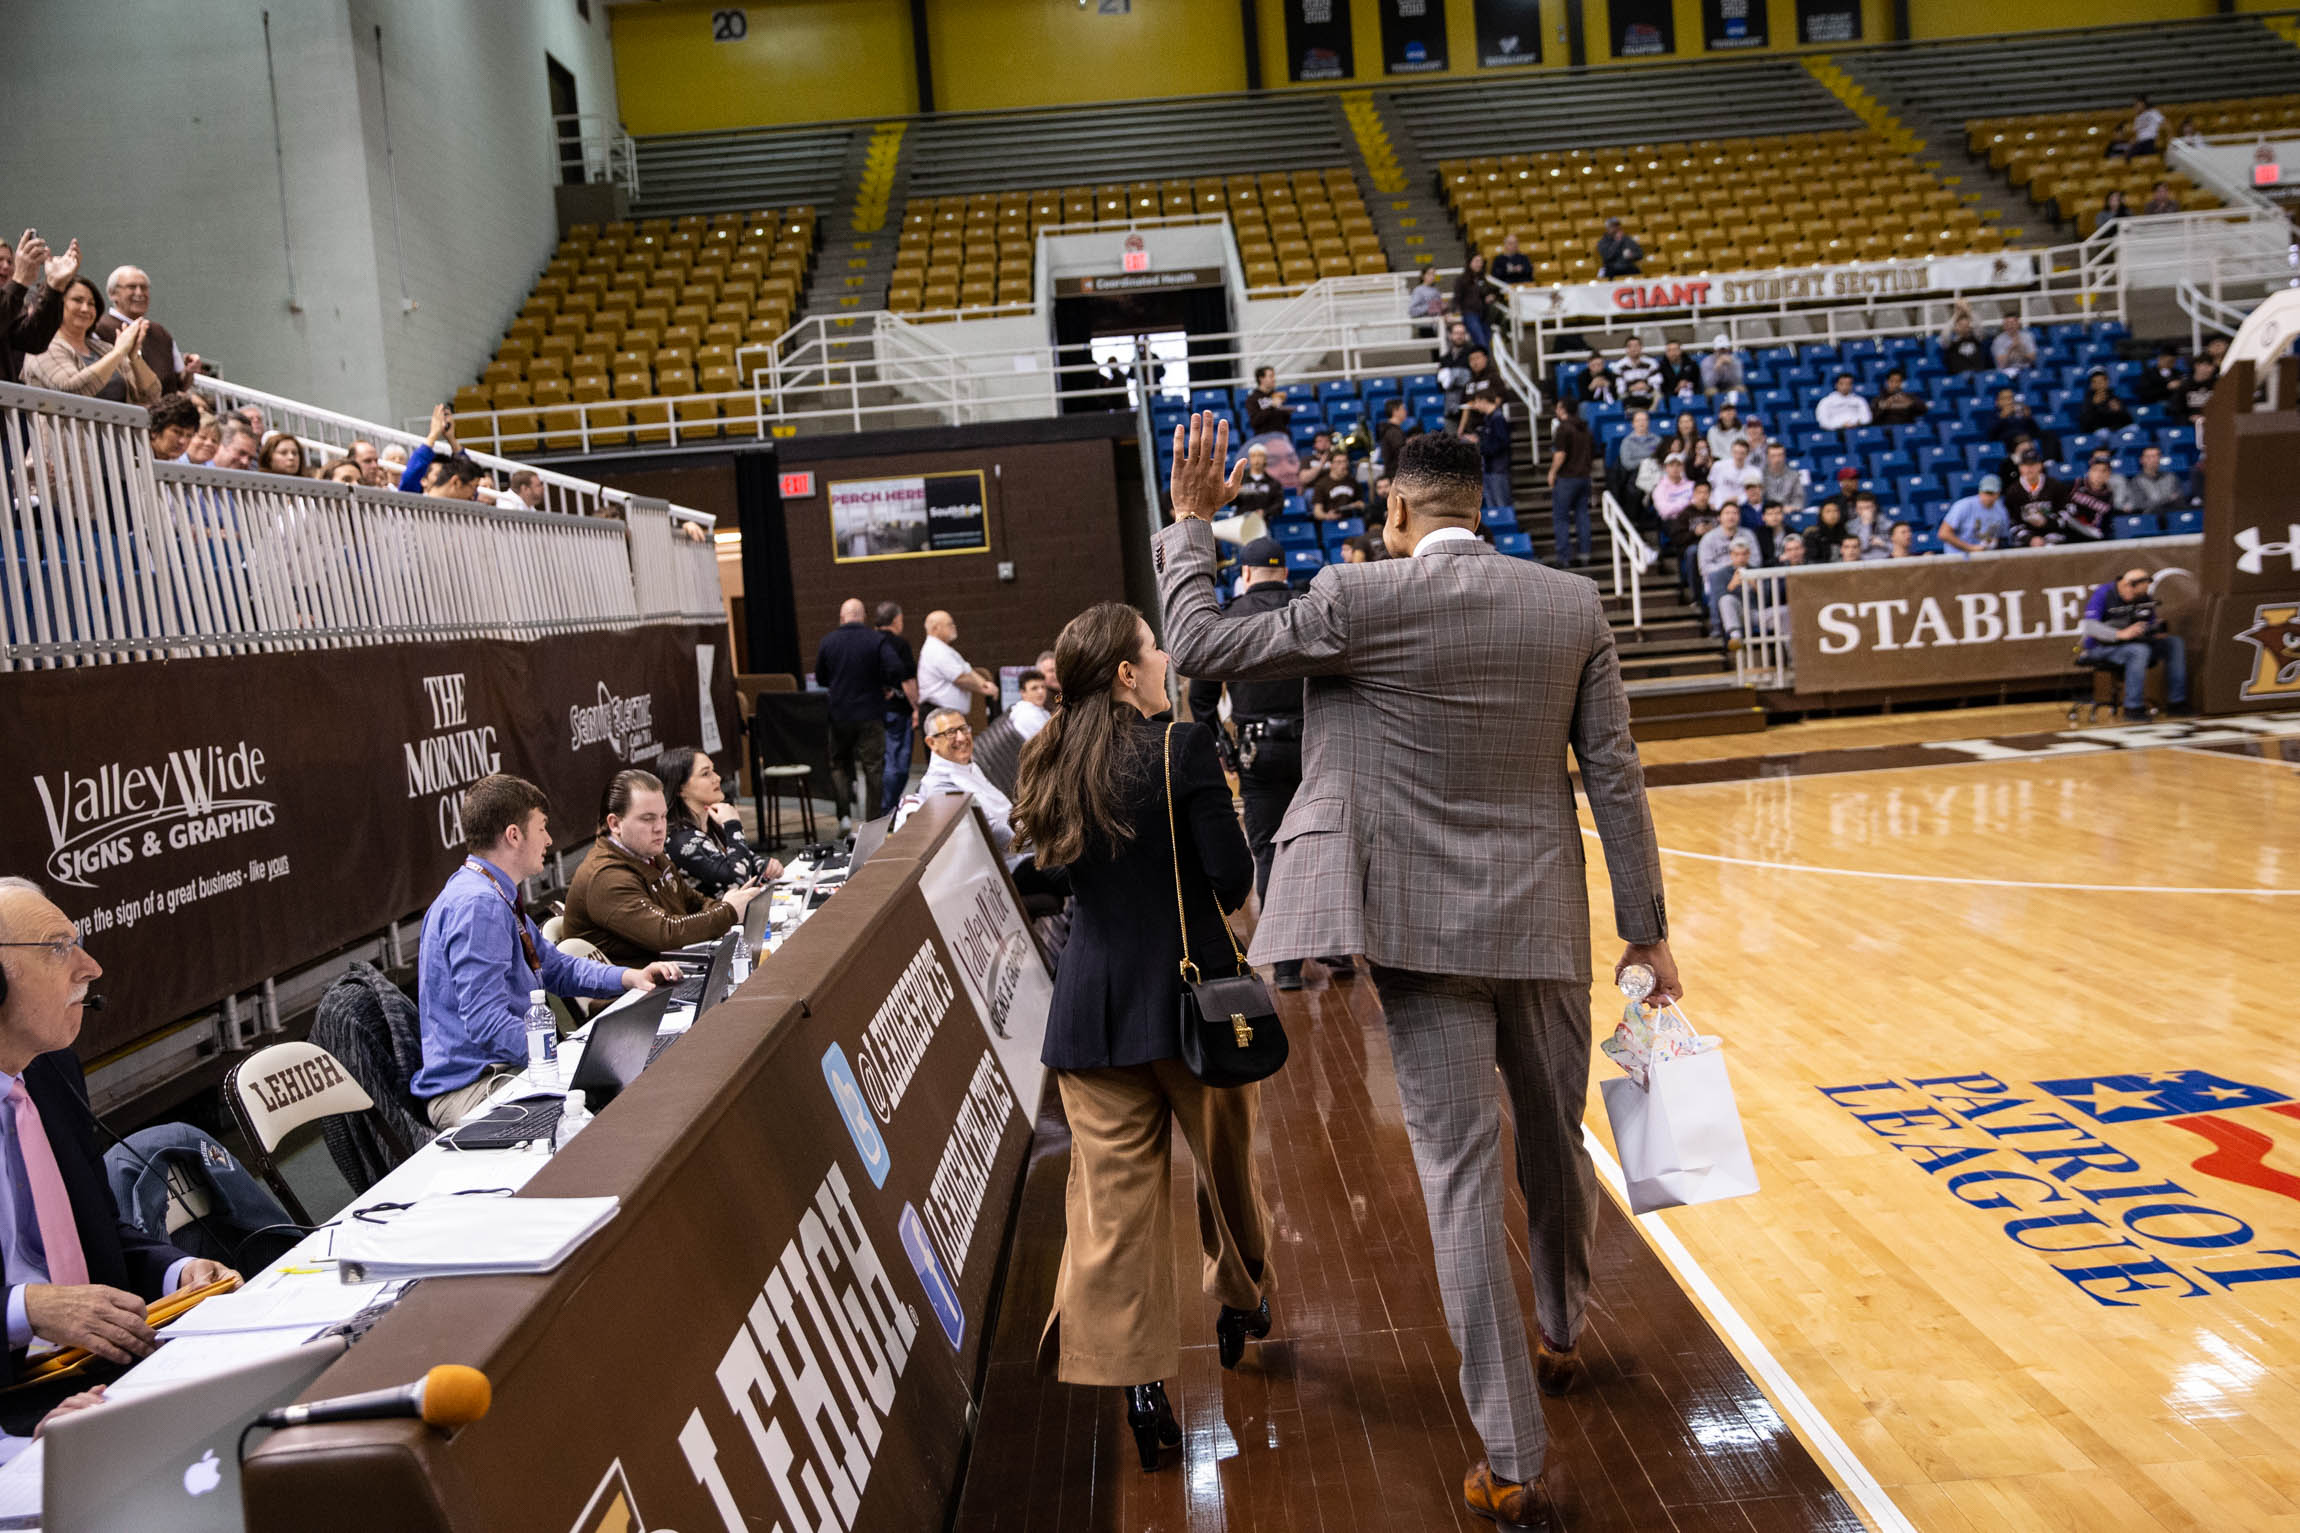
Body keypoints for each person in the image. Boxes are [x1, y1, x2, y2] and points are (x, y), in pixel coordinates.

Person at [1154, 417, 1672, 1524]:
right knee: (1555, 1137)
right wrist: (1646, 929)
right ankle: (1564, 1330)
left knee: (1459, 1180)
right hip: (1543, 926)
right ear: (1477, 506)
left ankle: (1512, 1455)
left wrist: (1191, 525)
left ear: (1394, 511)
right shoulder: (1570, 605)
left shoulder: (1359, 600)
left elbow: (1195, 649)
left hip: (1420, 938)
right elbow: (1615, 779)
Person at [1010, 601, 1270, 1473]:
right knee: (1227, 1166)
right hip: (1197, 1007)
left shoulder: (1047, 761)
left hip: (1089, 1017)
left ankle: (1142, 1391)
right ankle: (1241, 1299)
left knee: (1114, 1216)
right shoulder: (1182, 748)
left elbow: (1048, 875)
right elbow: (1231, 876)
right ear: (1126, 672)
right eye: (1154, 652)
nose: (1164, 662)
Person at [0, 879, 240, 1424]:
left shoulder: (51, 1070)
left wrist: (175, 1272)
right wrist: (27, 1308)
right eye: (58, 948)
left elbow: (98, 1238)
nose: (90, 967)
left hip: (102, 1371)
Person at [412, 775, 681, 1128]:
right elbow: (485, 1022)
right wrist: (559, 1051)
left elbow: (554, 967)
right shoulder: (479, 906)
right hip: (476, 1086)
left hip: (505, 1067)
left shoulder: (491, 891)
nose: (550, 840)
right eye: (542, 828)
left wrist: (629, 977)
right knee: (608, 1107)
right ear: (513, 835)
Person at [1184, 539, 1351, 993]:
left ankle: (1285, 966)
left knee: (1269, 850)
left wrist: (1225, 749)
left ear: (1247, 573)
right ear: (1283, 571)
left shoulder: (1228, 617)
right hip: (1317, 747)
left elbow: (1200, 700)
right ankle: (1335, 947)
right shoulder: (1311, 610)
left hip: (1257, 753)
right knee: (1323, 844)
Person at [562, 769, 764, 969]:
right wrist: (728, 912)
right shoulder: (605, 876)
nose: (659, 827)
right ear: (615, 824)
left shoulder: (650, 855)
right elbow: (666, 934)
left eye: (663, 816)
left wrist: (727, 908)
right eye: (648, 818)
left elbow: (693, 902)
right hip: (626, 995)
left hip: (665, 973)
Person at [815, 597, 902, 826]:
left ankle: (844, 816)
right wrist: (885, 686)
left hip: (839, 714)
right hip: (871, 714)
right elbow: (895, 668)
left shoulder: (828, 641)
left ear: (842, 617)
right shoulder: (876, 639)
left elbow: (822, 677)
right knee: (873, 768)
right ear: (863, 616)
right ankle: (872, 822)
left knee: (839, 764)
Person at [658, 746, 781, 897]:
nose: (717, 778)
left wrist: (767, 866)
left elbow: (748, 860)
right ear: (680, 788)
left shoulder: (712, 822)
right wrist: (732, 825)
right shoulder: (681, 841)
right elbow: (738, 879)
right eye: (705, 774)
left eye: (713, 770)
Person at [22, 278, 159, 405]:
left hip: (116, 431)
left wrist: (134, 356)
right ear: (56, 304)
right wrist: (118, 352)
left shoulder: (105, 349)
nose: (85, 309)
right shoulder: (42, 347)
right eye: (77, 300)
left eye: (91, 303)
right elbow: (70, 391)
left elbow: (152, 395)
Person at [2082, 569, 2189, 720]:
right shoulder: (2103, 593)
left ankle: (2177, 703)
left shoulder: (2143, 597)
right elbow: (2090, 627)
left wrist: (2154, 630)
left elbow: (2149, 622)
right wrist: (2119, 634)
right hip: (2100, 648)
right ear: (2126, 585)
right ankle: (2132, 708)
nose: (2137, 598)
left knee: (2174, 643)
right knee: (2139, 650)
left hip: (2136, 643)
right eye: (2135, 594)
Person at [915, 709, 1016, 853]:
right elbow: (989, 832)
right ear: (932, 743)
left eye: (963, 729)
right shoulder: (938, 785)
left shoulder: (971, 766)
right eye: (951, 732)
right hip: (1006, 860)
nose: (961, 738)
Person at [89, 266, 198, 393]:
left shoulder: (160, 332)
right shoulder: (99, 329)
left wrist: (189, 371)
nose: (139, 293)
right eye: (131, 287)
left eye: (144, 287)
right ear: (113, 293)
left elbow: (180, 383)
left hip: (168, 408)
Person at [2, 231, 75, 385]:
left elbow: (33, 341)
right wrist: (20, 281)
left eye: (10, 261)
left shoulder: (12, 305)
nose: (6, 266)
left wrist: (55, 288)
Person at [917, 610, 997, 733]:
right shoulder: (936, 650)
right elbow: (960, 678)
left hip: (948, 714)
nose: (954, 627)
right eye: (949, 624)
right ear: (935, 628)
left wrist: (984, 683)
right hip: (938, 715)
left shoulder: (945, 649)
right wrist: (983, 689)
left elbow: (967, 669)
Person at [875, 602, 921, 812]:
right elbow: (907, 679)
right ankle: (888, 809)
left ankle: (880, 808)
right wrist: (916, 707)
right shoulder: (899, 645)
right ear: (895, 620)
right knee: (898, 764)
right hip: (897, 711)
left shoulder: (869, 641)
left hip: (873, 713)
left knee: (881, 763)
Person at [1547, 398, 1593, 567]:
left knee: (1561, 518)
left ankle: (1564, 557)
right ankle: (1585, 554)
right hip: (1584, 477)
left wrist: (1552, 472)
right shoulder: (1586, 428)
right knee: (1582, 516)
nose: (1556, 410)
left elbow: (1560, 454)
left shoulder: (1563, 428)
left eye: (1558, 407)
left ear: (1563, 409)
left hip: (1567, 478)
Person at [1464, 392, 1513, 514]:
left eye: (1477, 402)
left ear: (1484, 400)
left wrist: (1484, 448)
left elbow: (1502, 442)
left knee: (1501, 504)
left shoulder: (1498, 418)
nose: (1476, 405)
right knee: (1492, 505)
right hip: (1490, 467)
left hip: (1498, 467)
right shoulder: (1489, 419)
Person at [1940, 475, 2009, 555]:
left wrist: (1994, 543)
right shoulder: (1964, 505)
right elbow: (1943, 533)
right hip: (1958, 555)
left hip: (1985, 557)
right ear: (1980, 491)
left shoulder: (2001, 510)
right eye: (1986, 492)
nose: (1988, 497)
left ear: (1998, 494)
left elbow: (2003, 537)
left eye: (1992, 493)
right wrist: (1970, 548)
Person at [1229, 441, 1283, 533]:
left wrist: (1265, 512)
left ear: (1265, 459)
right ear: (1249, 459)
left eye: (1260, 456)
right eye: (1253, 456)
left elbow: (1279, 505)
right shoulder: (1239, 478)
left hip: (1262, 523)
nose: (1257, 459)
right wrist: (1234, 493)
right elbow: (1230, 502)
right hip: (1240, 521)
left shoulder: (1273, 483)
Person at [2116, 445, 2188, 513]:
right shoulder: (2136, 481)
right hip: (2151, 516)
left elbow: (2178, 497)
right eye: (2149, 457)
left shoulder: (2171, 477)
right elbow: (2140, 504)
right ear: (2141, 460)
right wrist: (2166, 501)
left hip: (2172, 513)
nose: (2154, 460)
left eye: (2157, 456)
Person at [1452, 252, 1495, 351]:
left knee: (1486, 342)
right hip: (1470, 314)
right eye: (1476, 261)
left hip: (1484, 314)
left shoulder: (1483, 278)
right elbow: (1457, 297)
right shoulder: (1461, 279)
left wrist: (1490, 297)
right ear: (1469, 263)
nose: (1479, 264)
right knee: (1480, 341)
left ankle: (1485, 364)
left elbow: (1488, 293)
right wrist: (1454, 311)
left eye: (1481, 261)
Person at [145, 392, 200, 460]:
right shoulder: (132, 457)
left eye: (189, 435)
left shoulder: (176, 465)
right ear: (154, 430)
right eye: (176, 432)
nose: (182, 441)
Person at [1939, 303, 1990, 374]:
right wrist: (1956, 315)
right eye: (1961, 325)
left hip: (1978, 375)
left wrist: (1968, 310)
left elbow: (1979, 327)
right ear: (1955, 327)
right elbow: (1945, 334)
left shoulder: (1977, 338)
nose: (1964, 327)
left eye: (1967, 325)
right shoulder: (1951, 343)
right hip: (1959, 378)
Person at [1612, 336, 1659, 412]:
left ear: (1641, 347)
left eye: (1636, 346)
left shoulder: (1651, 363)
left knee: (1658, 395)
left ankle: (1651, 415)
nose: (1633, 349)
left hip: (1647, 394)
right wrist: (1632, 388)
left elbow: (1656, 384)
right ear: (1626, 349)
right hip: (1629, 396)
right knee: (1620, 396)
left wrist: (1646, 387)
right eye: (1630, 346)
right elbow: (1620, 388)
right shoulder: (1618, 366)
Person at [1242, 367, 1291, 435]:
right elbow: (1255, 421)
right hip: (1264, 438)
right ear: (1261, 379)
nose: (1274, 379)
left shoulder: (1276, 395)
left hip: (1281, 436)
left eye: (1274, 376)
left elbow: (1285, 421)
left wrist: (1286, 411)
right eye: (1271, 376)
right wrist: (1271, 406)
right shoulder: (1253, 398)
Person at [1009, 670, 1054, 739]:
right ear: (1023, 692)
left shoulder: (1035, 710)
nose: (1041, 691)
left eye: (1043, 687)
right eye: (1034, 688)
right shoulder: (1029, 714)